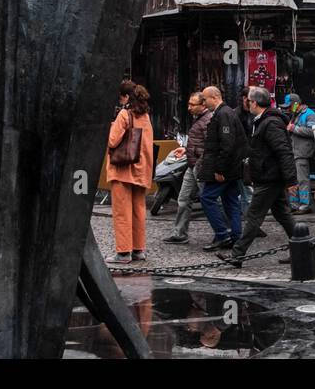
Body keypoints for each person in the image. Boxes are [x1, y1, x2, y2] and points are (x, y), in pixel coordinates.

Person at [222, 87, 299, 268]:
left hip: (270, 178)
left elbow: (284, 152)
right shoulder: (261, 120)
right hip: (269, 175)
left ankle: (237, 255)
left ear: (254, 103)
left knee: (253, 216)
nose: (246, 103)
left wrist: (291, 180)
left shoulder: (270, 123)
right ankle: (303, 246)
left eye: (248, 100)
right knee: (283, 214)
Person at [105, 84, 155, 265]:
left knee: (122, 212)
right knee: (138, 211)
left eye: (121, 97)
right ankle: (138, 250)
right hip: (141, 169)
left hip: (123, 169)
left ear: (126, 97)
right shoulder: (146, 117)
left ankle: (123, 252)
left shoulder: (124, 115)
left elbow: (112, 141)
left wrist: (111, 126)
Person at [197, 85, 247, 250]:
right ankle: (235, 237)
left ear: (214, 97)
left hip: (224, 169)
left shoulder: (224, 114)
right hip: (231, 168)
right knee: (231, 201)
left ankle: (222, 234)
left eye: (204, 99)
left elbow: (227, 145)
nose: (203, 103)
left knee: (207, 198)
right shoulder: (225, 113)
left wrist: (219, 170)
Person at [165, 92, 210, 244]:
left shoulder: (207, 120)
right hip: (192, 165)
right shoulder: (198, 119)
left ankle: (223, 232)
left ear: (203, 105)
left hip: (200, 165)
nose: (189, 107)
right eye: (189, 104)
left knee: (209, 200)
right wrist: (185, 148)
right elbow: (198, 142)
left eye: (192, 104)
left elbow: (210, 145)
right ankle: (179, 233)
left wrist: (199, 160)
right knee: (183, 198)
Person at [284, 94, 315, 213]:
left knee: (302, 180)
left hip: (302, 153)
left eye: (289, 106)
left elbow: (313, 131)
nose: (287, 109)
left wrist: (294, 128)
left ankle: (305, 205)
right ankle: (294, 205)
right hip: (293, 153)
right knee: (294, 180)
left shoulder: (310, 114)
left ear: (295, 104)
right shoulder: (294, 115)